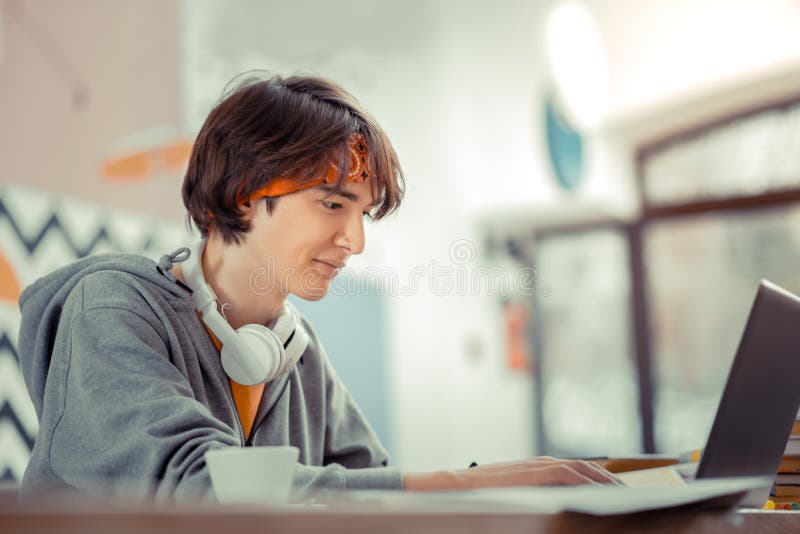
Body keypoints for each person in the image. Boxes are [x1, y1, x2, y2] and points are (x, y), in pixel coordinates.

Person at [17, 74, 620, 505]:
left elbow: (374, 491)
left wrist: (492, 488)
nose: (354, 242)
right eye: (332, 204)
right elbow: (202, 493)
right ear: (244, 194)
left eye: (362, 214)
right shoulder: (111, 310)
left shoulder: (293, 349)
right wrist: (473, 482)